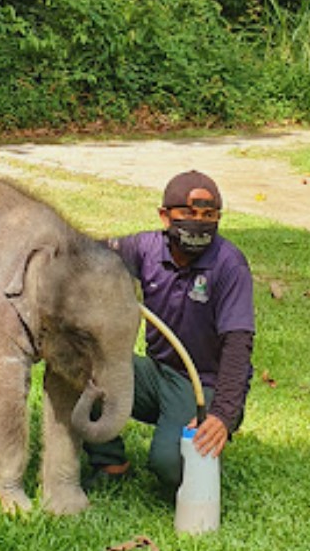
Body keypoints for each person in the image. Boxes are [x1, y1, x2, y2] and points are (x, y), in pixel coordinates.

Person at [85, 170, 255, 491]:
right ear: (165, 216)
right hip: (158, 373)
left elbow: (238, 344)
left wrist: (222, 415)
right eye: (188, 214)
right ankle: (110, 462)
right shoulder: (147, 249)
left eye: (208, 216)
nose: (199, 223)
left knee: (172, 467)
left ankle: (196, 441)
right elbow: (90, 254)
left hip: (203, 385)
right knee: (82, 362)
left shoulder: (229, 264)